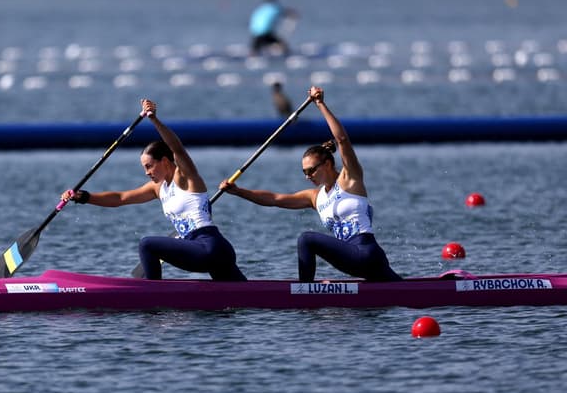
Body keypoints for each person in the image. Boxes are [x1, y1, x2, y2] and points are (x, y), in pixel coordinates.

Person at [219, 86, 401, 283]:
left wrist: (320, 104)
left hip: (366, 252)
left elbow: (342, 140)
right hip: (358, 259)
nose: (308, 176)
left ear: (328, 164)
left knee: (307, 239)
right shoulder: (315, 197)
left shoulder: (350, 178)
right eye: (304, 172)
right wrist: (238, 191)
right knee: (404, 291)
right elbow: (274, 199)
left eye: (311, 170)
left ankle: (304, 291)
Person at [61, 99, 247, 282]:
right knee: (243, 295)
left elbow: (177, 149)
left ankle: (152, 294)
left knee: (147, 245)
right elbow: (120, 198)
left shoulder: (185, 177)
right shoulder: (158, 188)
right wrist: (84, 197)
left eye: (149, 166)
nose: (146, 172)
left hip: (208, 246)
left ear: (165, 161)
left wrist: (154, 120)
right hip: (212, 251)